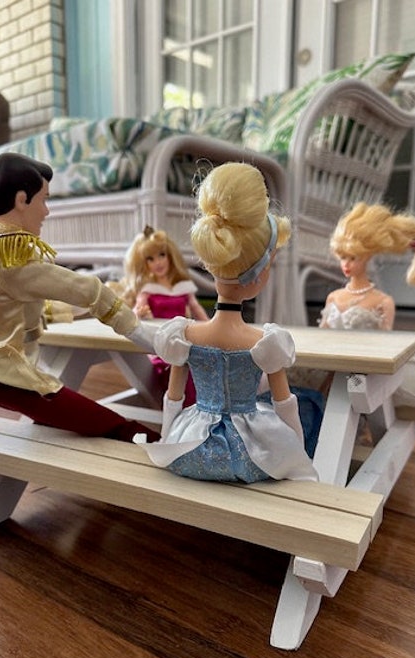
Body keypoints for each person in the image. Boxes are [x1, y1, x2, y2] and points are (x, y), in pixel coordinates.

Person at [0, 152, 159, 442]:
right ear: (22, 200)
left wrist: (71, 313)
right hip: (8, 376)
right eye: (43, 200)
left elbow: (17, 305)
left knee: (78, 419)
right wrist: (137, 331)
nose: (46, 211)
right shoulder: (12, 259)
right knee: (114, 425)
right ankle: (157, 446)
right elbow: (88, 289)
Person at [135, 162, 318, 483]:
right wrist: (294, 455)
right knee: (310, 406)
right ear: (259, 275)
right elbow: (284, 404)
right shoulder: (264, 341)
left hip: (192, 448)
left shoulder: (183, 334)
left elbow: (173, 399)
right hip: (247, 452)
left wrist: (168, 441)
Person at [319, 202, 415, 407]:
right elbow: (322, 337)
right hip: (334, 366)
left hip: (367, 371)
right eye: (342, 257)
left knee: (360, 389)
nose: (346, 264)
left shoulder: (382, 302)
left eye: (353, 258)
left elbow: (383, 347)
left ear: (367, 257)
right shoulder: (334, 297)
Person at [118, 225, 209, 405]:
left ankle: (198, 406)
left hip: (184, 339)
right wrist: (140, 313)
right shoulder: (148, 289)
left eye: (162, 255)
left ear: (170, 256)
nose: (158, 262)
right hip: (161, 343)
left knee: (199, 365)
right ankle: (183, 408)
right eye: (150, 259)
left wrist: (210, 325)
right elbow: (136, 310)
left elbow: (196, 308)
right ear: (144, 264)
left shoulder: (182, 286)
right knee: (175, 370)